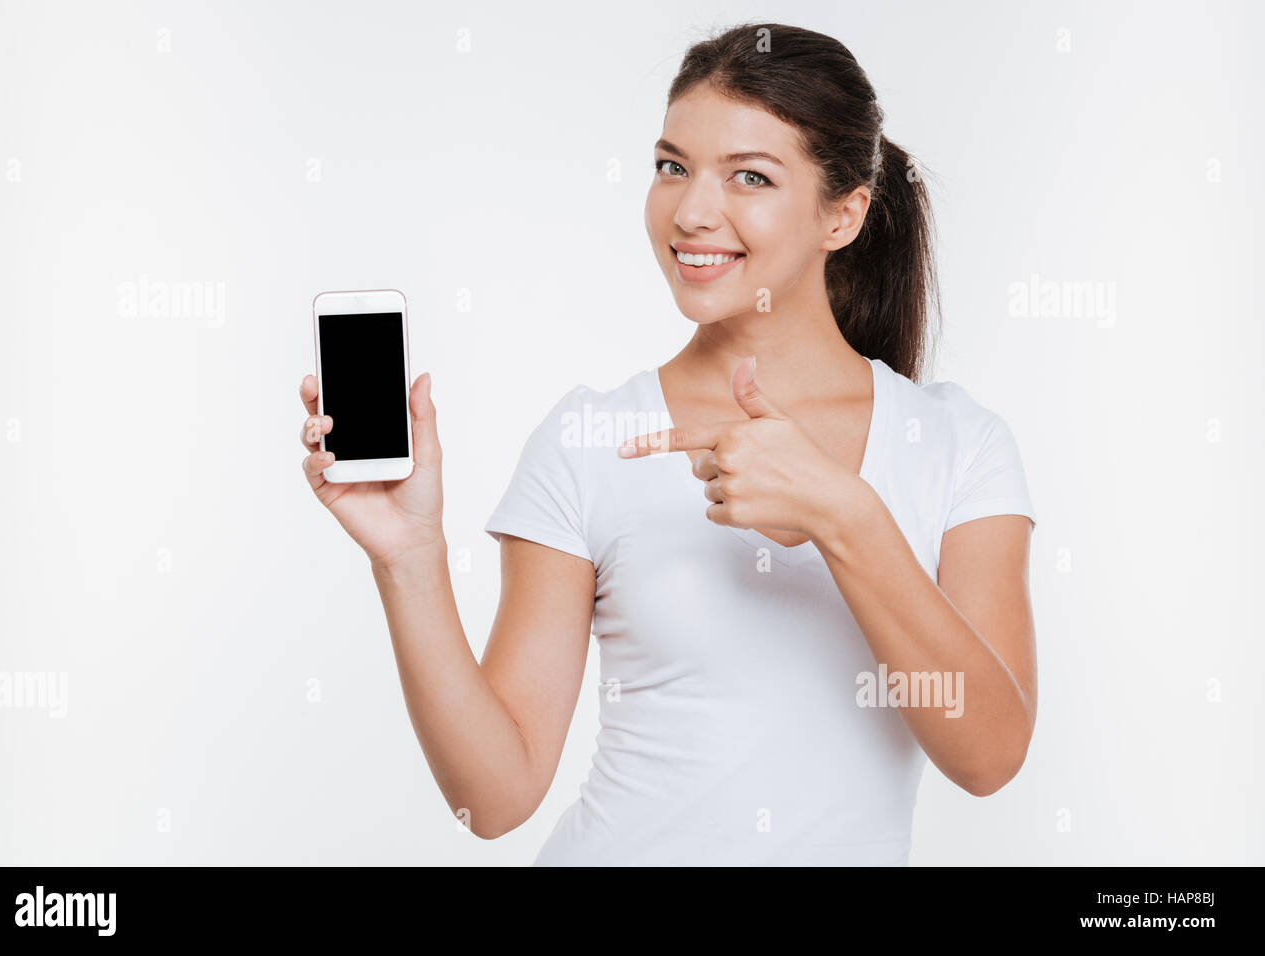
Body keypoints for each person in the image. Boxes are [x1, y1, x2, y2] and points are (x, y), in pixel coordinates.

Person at [297, 22, 1037, 865]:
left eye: (749, 177)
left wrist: (845, 516)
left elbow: (989, 755)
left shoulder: (956, 444)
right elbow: (494, 800)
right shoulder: (587, 439)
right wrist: (409, 558)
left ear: (844, 213)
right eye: (671, 166)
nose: (690, 211)